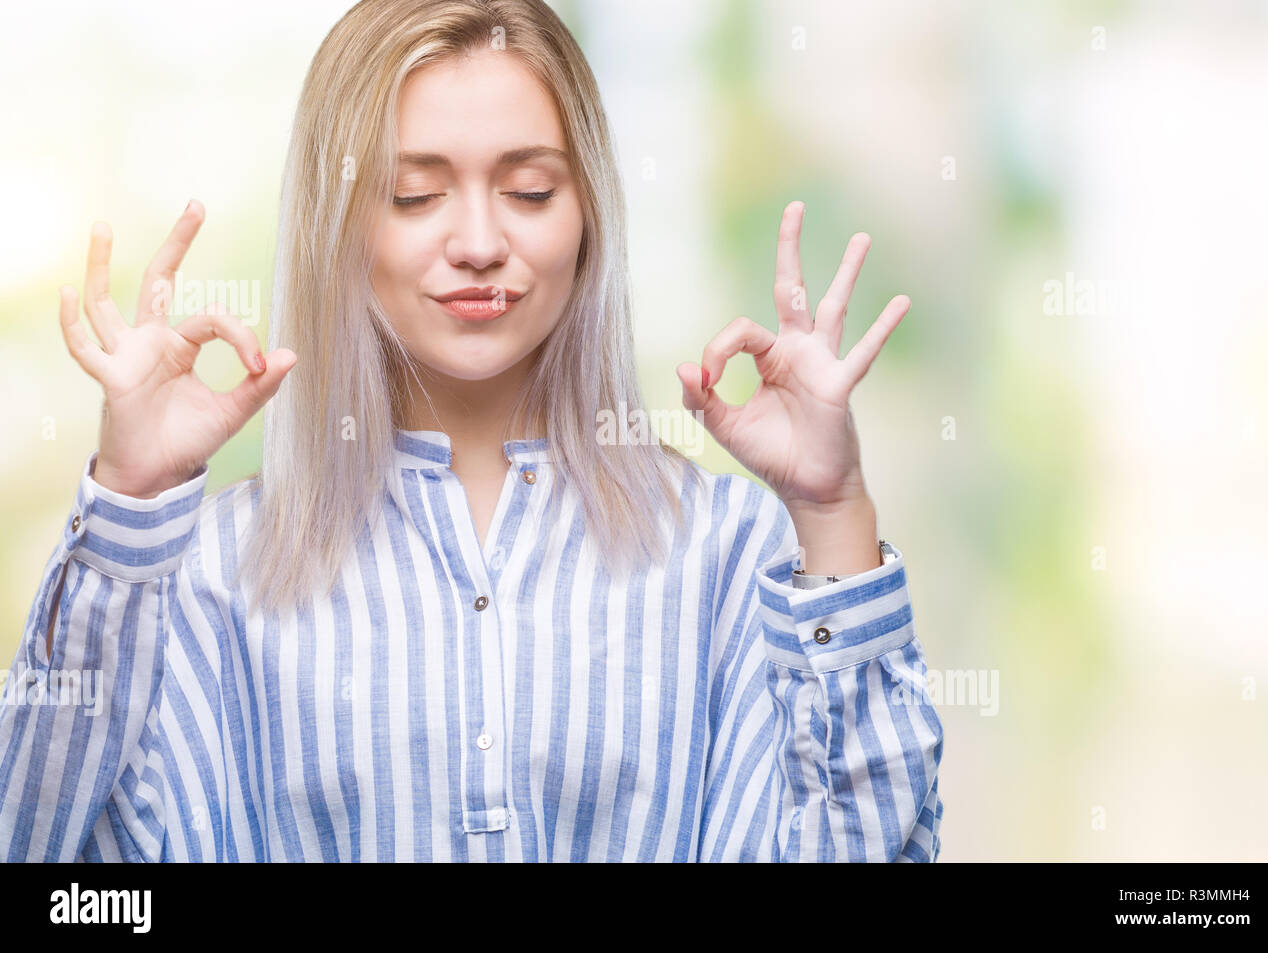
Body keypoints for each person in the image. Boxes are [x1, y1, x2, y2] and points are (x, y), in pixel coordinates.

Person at [0, 0, 942, 862]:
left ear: (588, 220)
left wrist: (831, 509)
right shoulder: (214, 572)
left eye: (530, 191)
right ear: (339, 222)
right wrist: (124, 503)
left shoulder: (727, 552)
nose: (481, 241)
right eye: (415, 195)